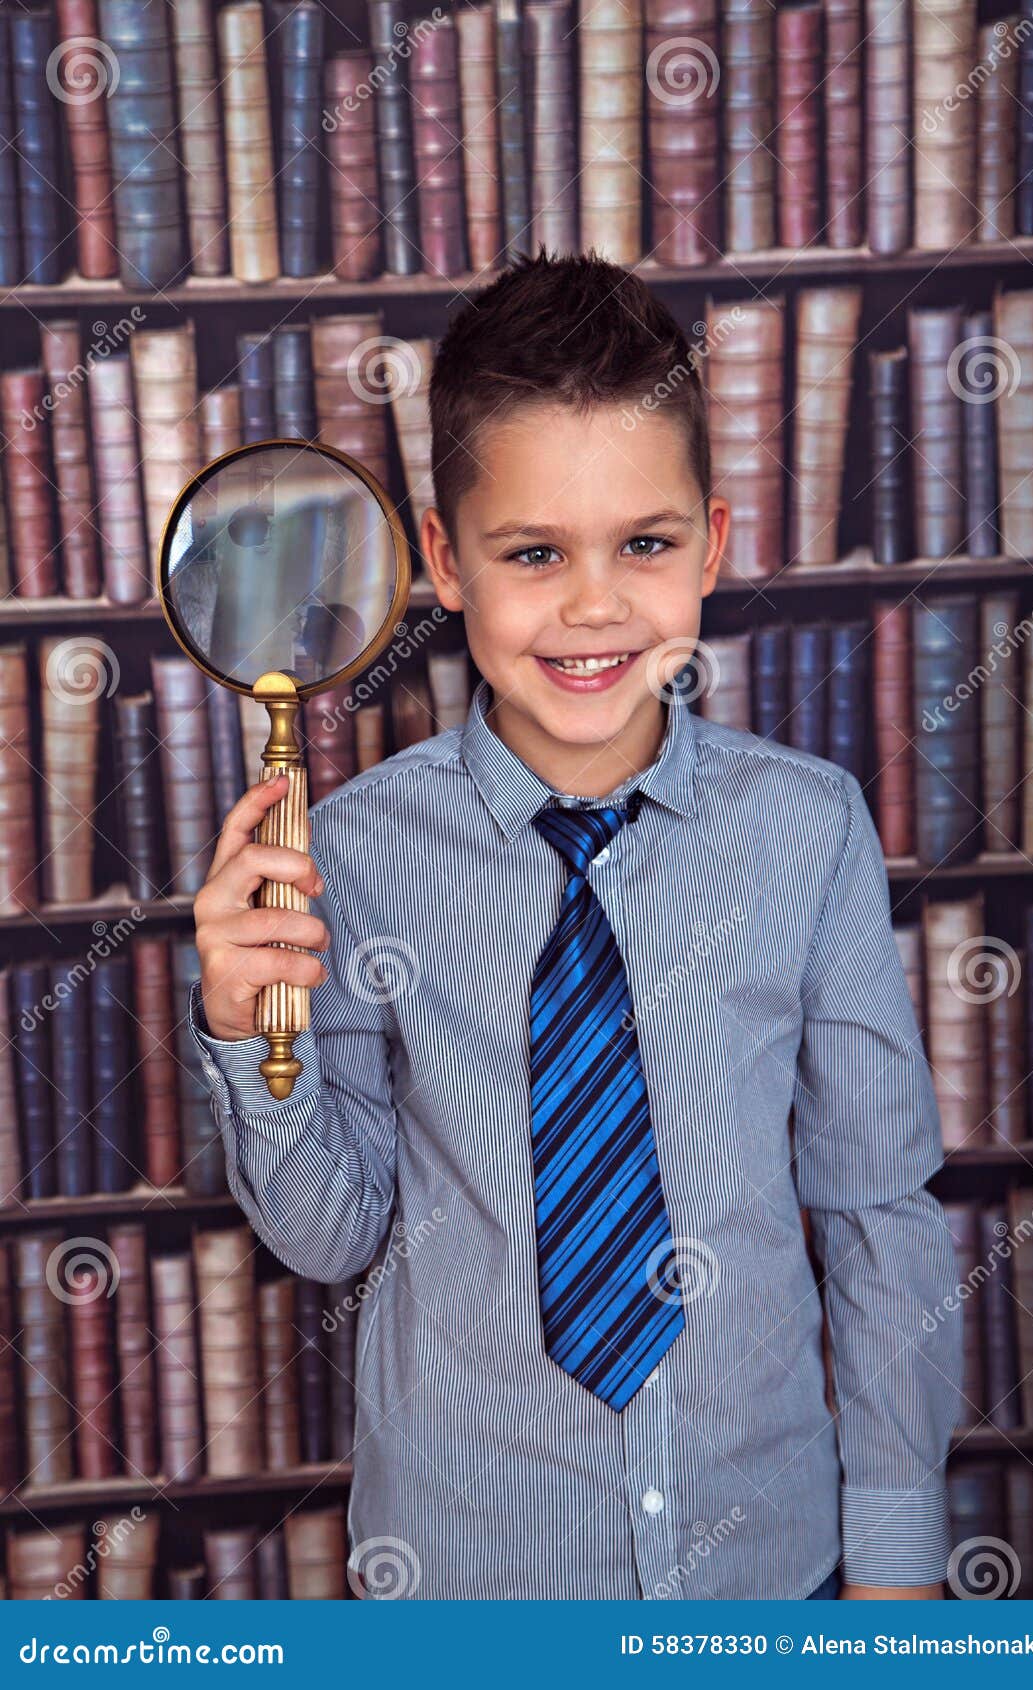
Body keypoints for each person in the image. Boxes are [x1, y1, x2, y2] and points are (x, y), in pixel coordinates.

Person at [189, 249, 962, 1602]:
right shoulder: (351, 856)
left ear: (713, 545)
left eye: (645, 546)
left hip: (765, 1573)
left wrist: (896, 1571)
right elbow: (328, 1232)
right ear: (443, 560)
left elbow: (874, 1208)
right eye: (534, 552)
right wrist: (254, 1033)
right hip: (469, 1576)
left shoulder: (814, 829)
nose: (594, 606)